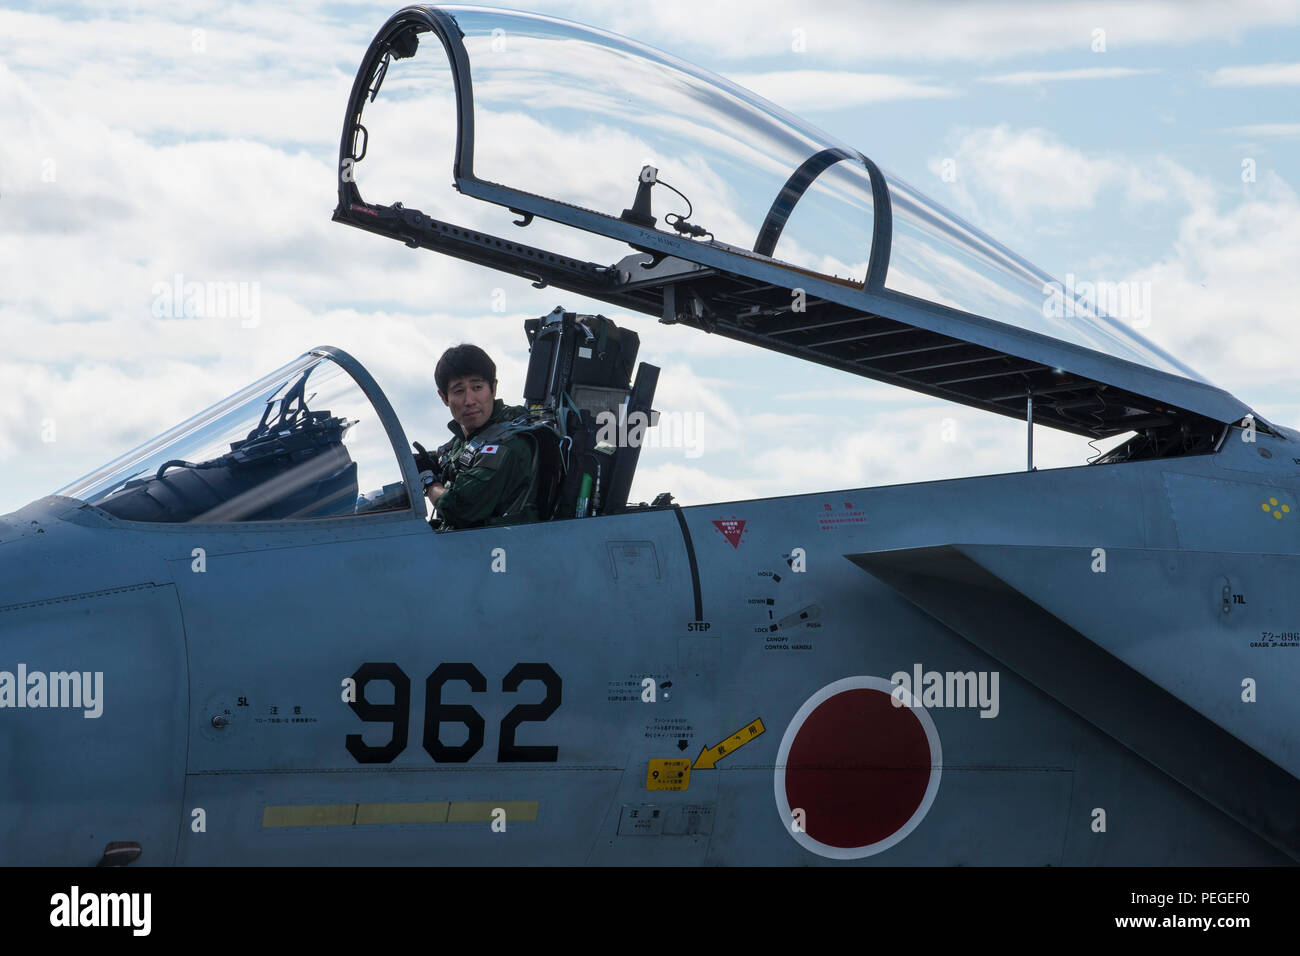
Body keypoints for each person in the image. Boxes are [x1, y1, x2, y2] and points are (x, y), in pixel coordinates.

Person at [418, 344, 541, 530]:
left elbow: (458, 509)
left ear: (493, 387)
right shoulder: (463, 442)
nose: (469, 401)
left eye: (477, 387)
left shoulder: (507, 444)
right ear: (444, 397)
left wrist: (429, 482)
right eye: (458, 391)